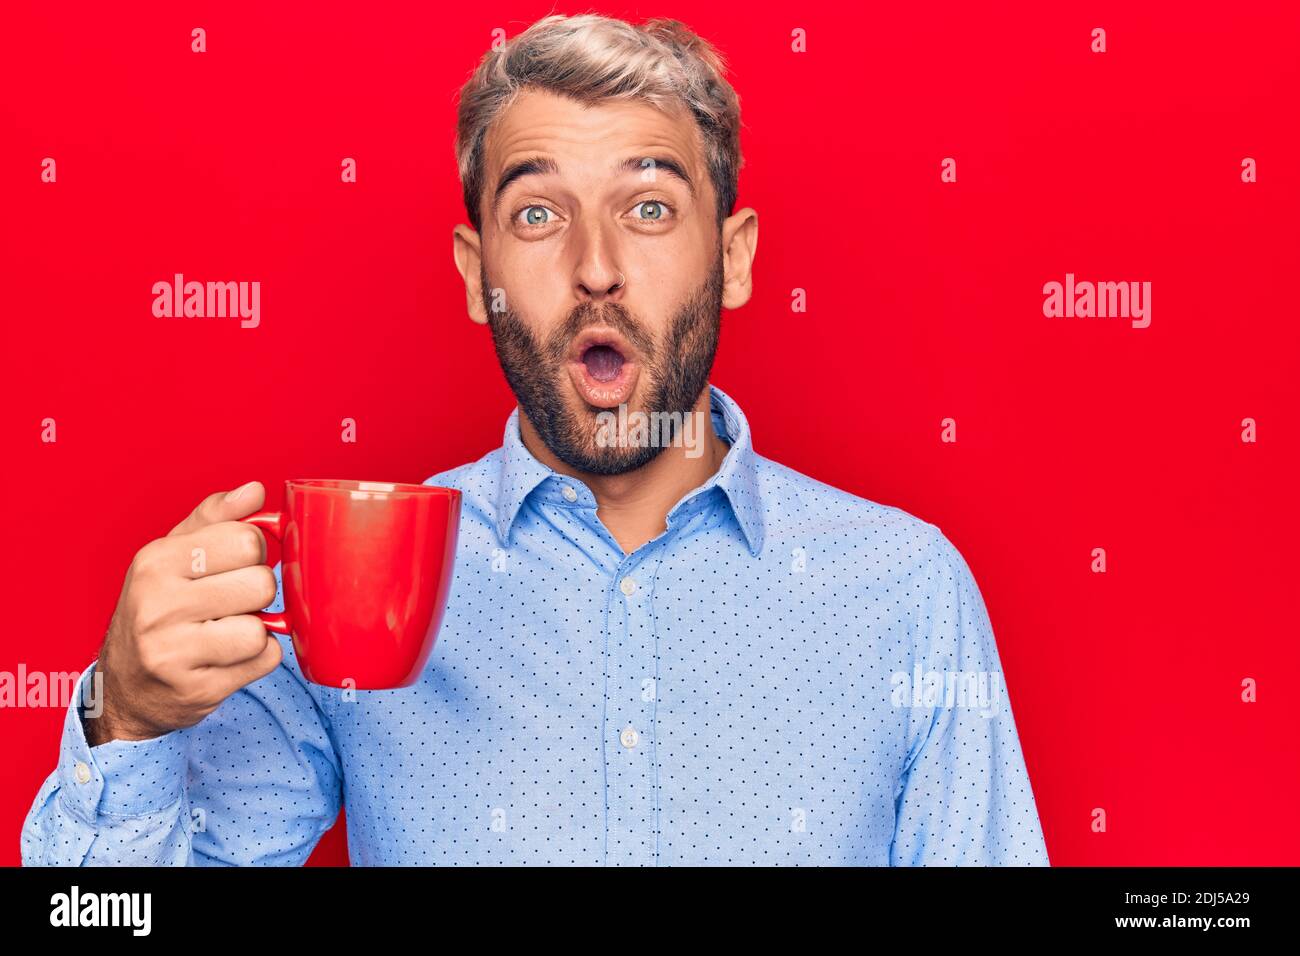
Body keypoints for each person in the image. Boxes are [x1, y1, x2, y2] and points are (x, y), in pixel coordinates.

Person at [22, 13, 1049, 866]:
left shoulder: (906, 589)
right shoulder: (350, 587)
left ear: (733, 258)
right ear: (477, 275)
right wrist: (128, 721)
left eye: (650, 206)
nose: (596, 266)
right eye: (537, 215)